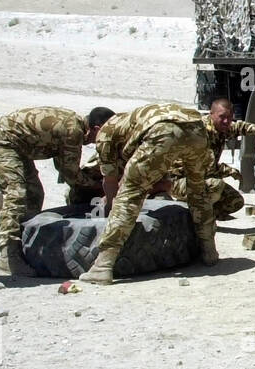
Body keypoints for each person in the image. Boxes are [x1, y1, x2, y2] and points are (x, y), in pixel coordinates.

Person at [78, 103, 217, 285]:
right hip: (197, 129)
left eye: (90, 136)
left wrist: (112, 207)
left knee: (130, 194)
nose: (91, 140)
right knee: (198, 192)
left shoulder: (105, 132)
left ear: (97, 128)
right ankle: (209, 252)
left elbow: (110, 181)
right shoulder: (131, 119)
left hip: (163, 130)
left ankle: (102, 267)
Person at [0, 105, 115, 276]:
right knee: (16, 194)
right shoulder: (73, 131)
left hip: (19, 147)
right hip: (4, 143)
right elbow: (70, 174)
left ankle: (26, 245)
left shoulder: (72, 126)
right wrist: (100, 186)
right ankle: (9, 255)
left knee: (35, 194)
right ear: (96, 129)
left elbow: (63, 166)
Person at [167, 99, 255, 219]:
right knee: (215, 185)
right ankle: (196, 217)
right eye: (222, 117)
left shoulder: (221, 127)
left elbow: (239, 127)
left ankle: (198, 210)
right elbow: (208, 168)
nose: (226, 121)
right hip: (180, 181)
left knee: (235, 201)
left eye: (230, 117)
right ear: (211, 114)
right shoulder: (200, 132)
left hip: (200, 179)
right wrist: (230, 171)